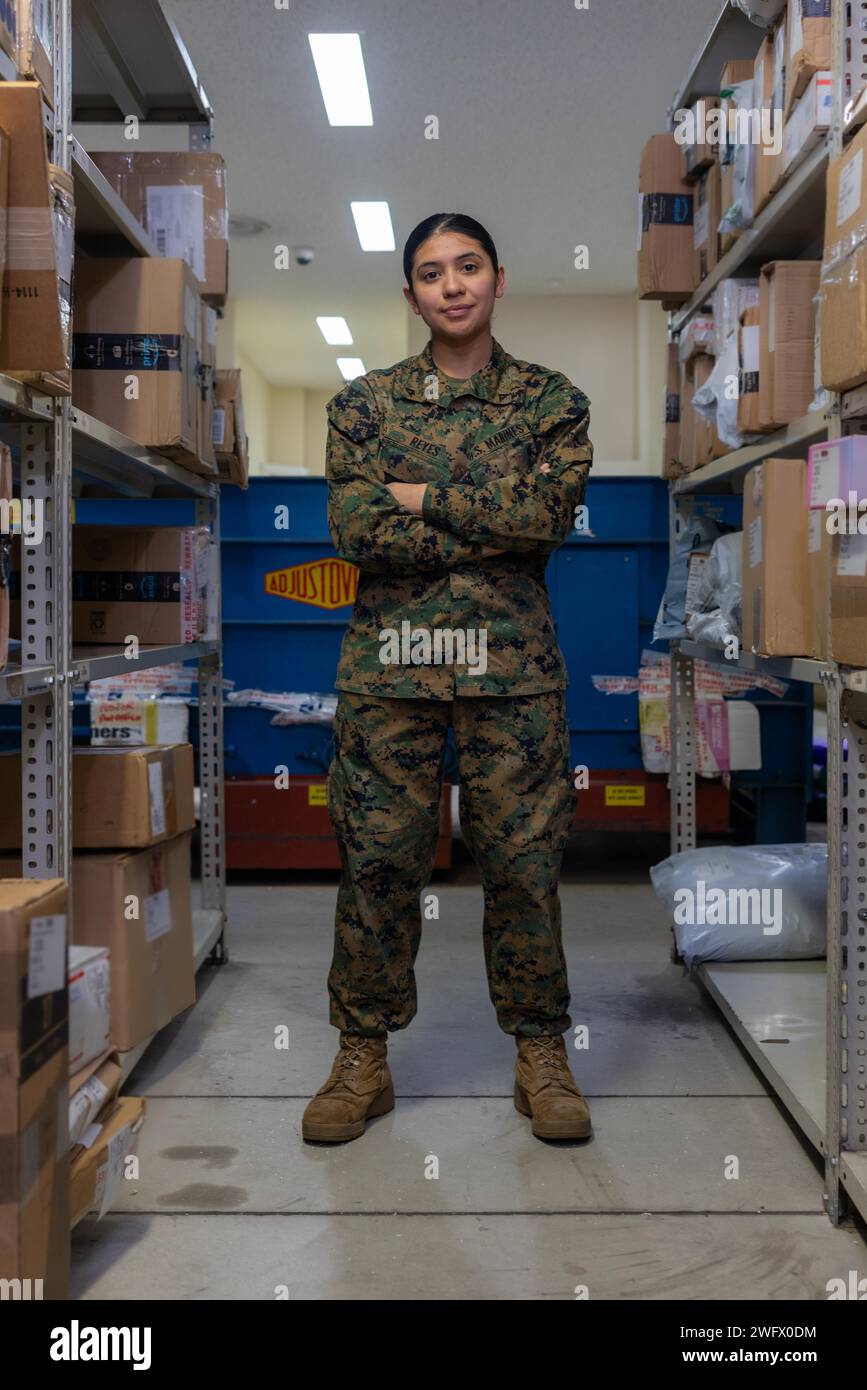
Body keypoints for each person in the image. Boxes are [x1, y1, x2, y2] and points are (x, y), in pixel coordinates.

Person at [302, 212, 594, 1145]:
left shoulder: (552, 401)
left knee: (523, 867)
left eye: (467, 267)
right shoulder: (363, 406)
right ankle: (361, 1058)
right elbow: (358, 532)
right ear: (411, 294)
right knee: (379, 865)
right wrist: (489, 516)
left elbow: (547, 516)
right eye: (431, 273)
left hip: (512, 679)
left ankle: (541, 1054)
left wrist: (423, 496)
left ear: (497, 279)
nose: (452, 285)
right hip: (392, 676)